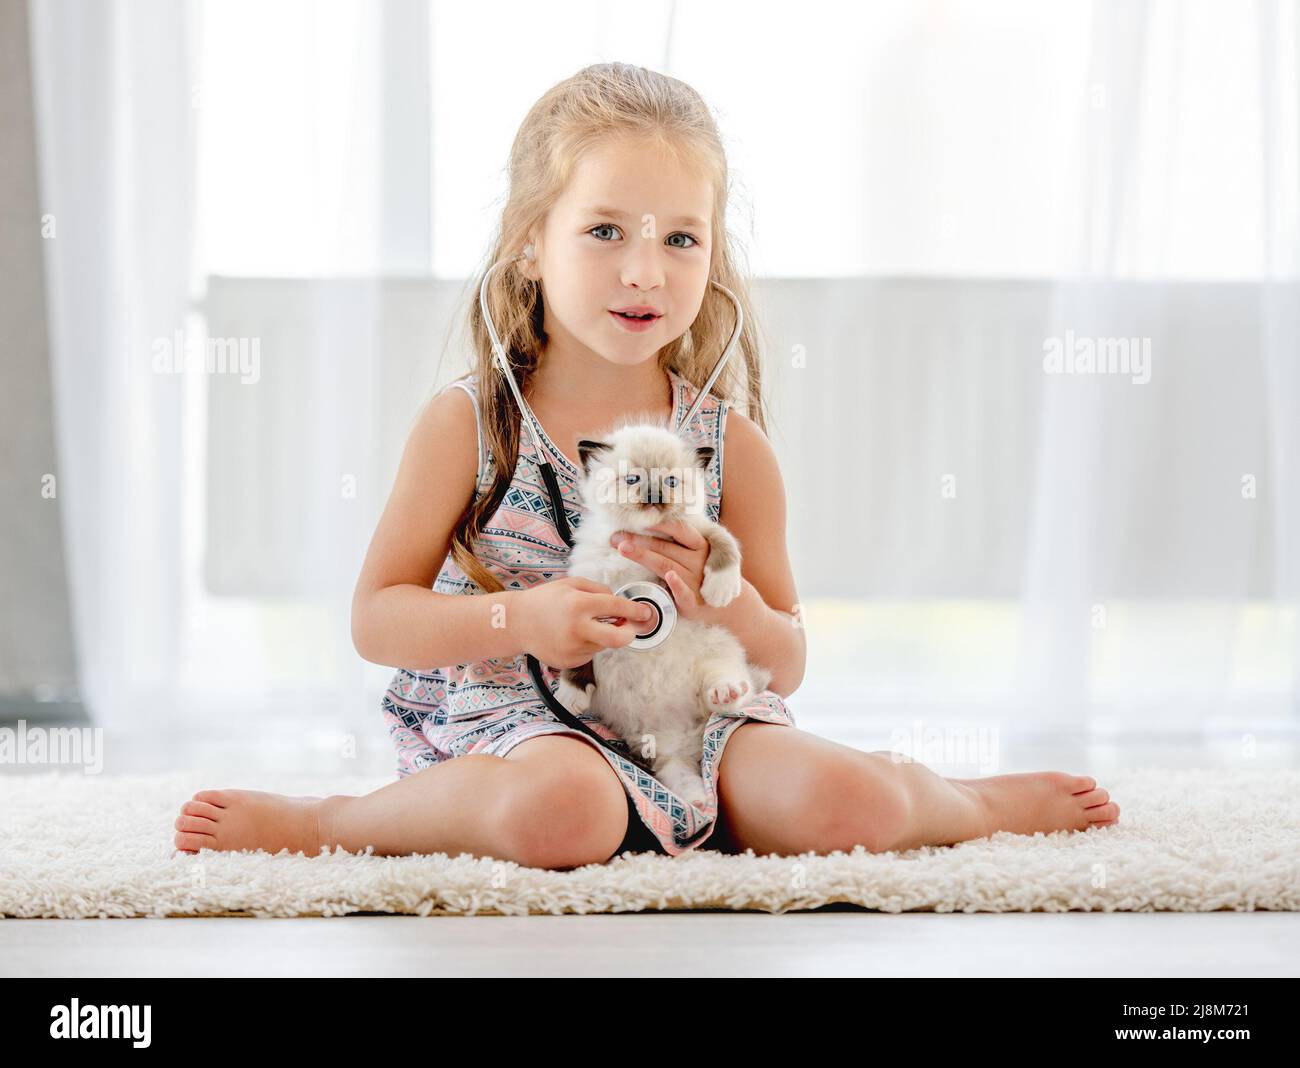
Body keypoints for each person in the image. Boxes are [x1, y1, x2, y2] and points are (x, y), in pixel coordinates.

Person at [173, 62, 1118, 869]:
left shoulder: (730, 446)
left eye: (680, 238)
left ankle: (972, 804)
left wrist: (730, 609)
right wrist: (524, 616)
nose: (644, 271)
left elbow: (785, 661)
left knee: (844, 806)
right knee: (564, 813)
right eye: (605, 230)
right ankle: (331, 821)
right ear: (527, 242)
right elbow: (376, 619)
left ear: (713, 256)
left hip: (692, 716)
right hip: (518, 721)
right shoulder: (469, 424)